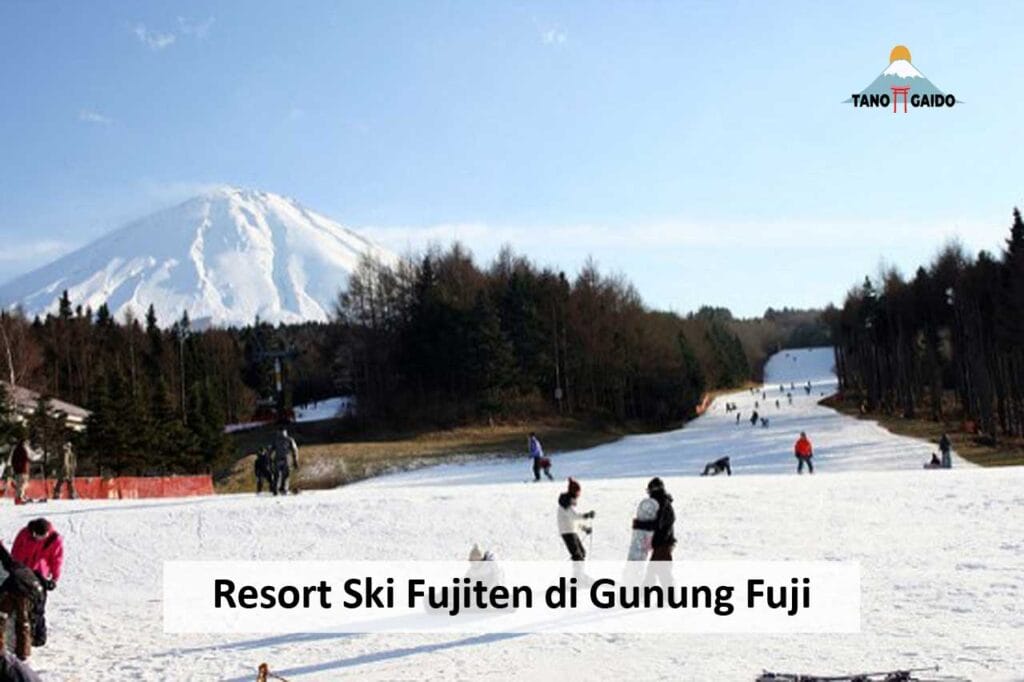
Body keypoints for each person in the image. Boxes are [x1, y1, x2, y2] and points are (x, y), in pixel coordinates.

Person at [10, 519, 62, 649]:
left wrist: (54, 578)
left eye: (42, 536)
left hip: (40, 576)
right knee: (20, 606)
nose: (39, 539)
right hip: (22, 573)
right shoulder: (24, 534)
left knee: (38, 608)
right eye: (37, 536)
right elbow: (15, 550)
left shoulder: (54, 539)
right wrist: (13, 568)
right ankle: (21, 636)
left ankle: (39, 636)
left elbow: (57, 560)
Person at [0, 541, 43, 662]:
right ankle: (23, 652)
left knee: (6, 619)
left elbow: (3, 590)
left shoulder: (11, 576)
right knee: (23, 623)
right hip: (29, 593)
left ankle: (17, 651)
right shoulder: (20, 568)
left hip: (22, 593)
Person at [633, 477, 676, 586]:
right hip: (661, 544)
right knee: (653, 573)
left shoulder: (663, 504)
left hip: (663, 544)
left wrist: (640, 524)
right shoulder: (661, 503)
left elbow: (657, 524)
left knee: (661, 573)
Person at [557, 478, 594, 561]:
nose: (579, 494)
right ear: (574, 492)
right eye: (578, 492)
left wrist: (584, 528)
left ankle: (579, 572)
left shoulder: (568, 502)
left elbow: (573, 520)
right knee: (577, 556)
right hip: (567, 532)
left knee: (582, 553)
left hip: (571, 531)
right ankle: (578, 573)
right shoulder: (565, 504)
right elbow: (575, 516)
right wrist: (587, 515)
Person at [271, 429, 299, 495]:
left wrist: (269, 459)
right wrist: (295, 460)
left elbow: (270, 450)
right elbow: (294, 450)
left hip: (277, 459)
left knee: (277, 475)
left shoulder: (275, 440)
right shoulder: (290, 440)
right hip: (286, 459)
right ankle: (283, 489)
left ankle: (275, 489)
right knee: (286, 475)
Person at [10, 440, 35, 504]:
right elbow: (28, 458)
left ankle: (20, 497)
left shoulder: (15, 450)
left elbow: (12, 460)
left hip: (17, 470)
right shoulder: (23, 449)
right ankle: (19, 498)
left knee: (20, 485)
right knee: (22, 484)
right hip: (23, 470)